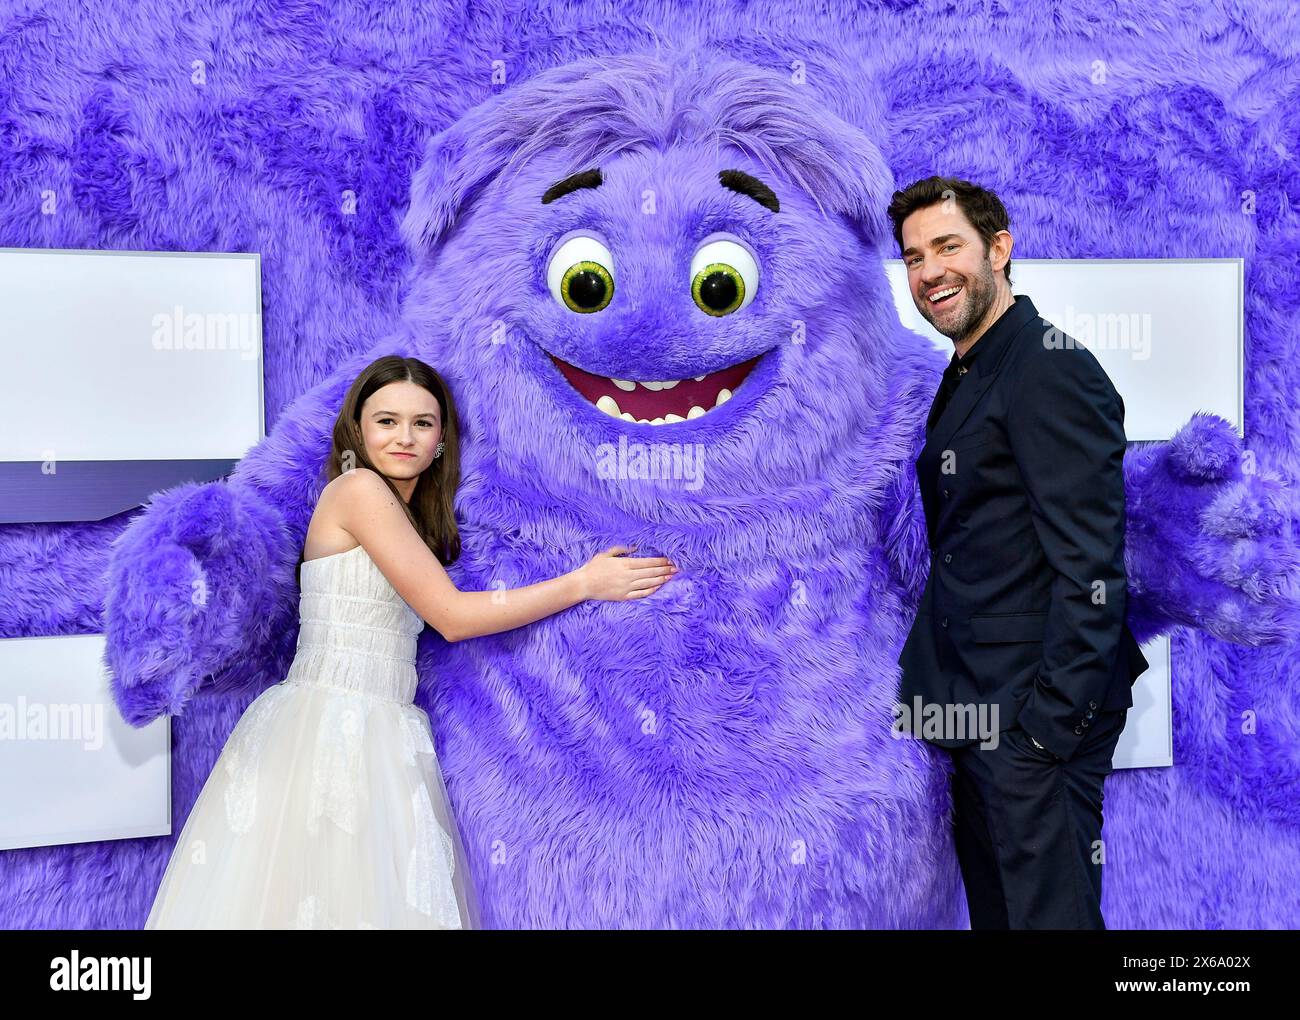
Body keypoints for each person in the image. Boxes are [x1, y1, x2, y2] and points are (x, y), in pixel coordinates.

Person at [145, 354, 677, 929]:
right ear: (357, 429)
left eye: (422, 423)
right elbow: (450, 615)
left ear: (443, 440)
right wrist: (582, 583)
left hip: (376, 726)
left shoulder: (403, 512)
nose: (404, 437)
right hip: (333, 732)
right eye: (386, 421)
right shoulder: (358, 491)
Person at [890, 177, 1149, 929]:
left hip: (1030, 720)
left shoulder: (1047, 367)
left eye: (948, 247)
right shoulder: (974, 367)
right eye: (913, 257)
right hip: (975, 710)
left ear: (999, 249)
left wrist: (1044, 734)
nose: (929, 271)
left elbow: (1092, 569)